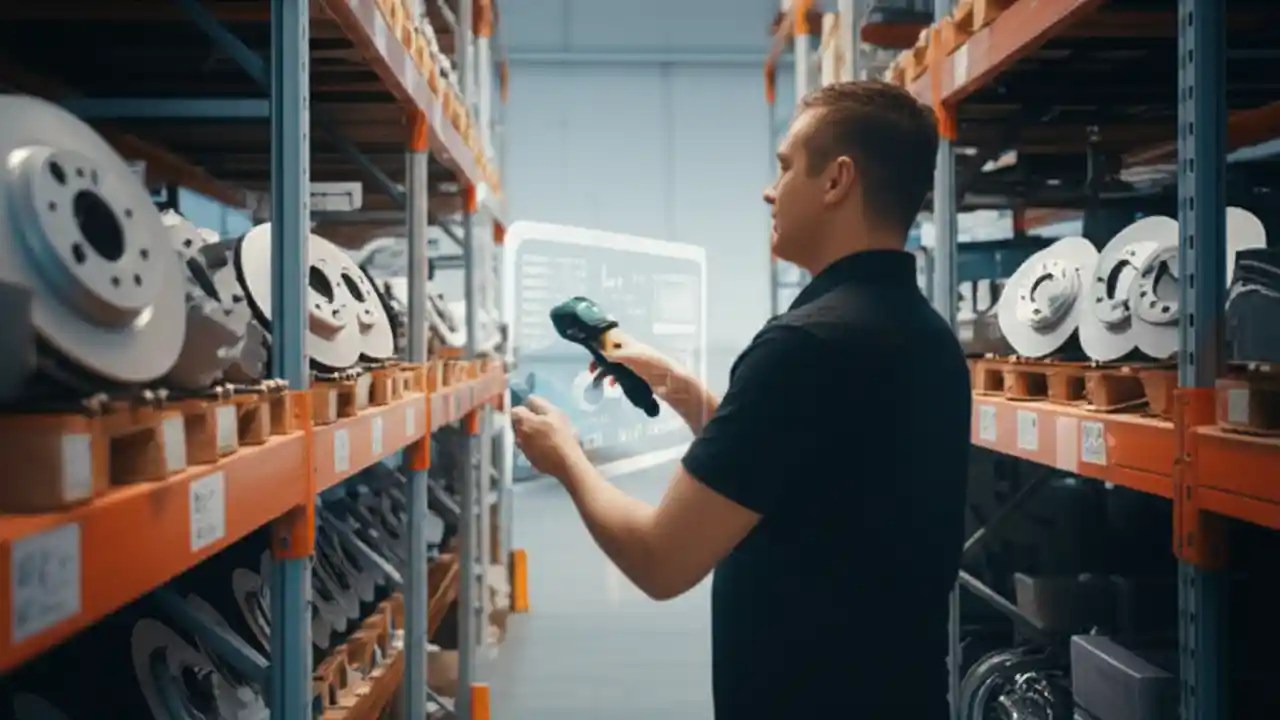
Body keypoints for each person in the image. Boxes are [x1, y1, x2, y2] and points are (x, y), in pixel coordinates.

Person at [511, 80, 971, 719]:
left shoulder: (804, 347)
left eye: (785, 168)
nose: (769, 189)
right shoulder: (922, 336)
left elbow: (659, 559)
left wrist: (564, 458)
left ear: (837, 180)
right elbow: (796, 474)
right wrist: (679, 385)